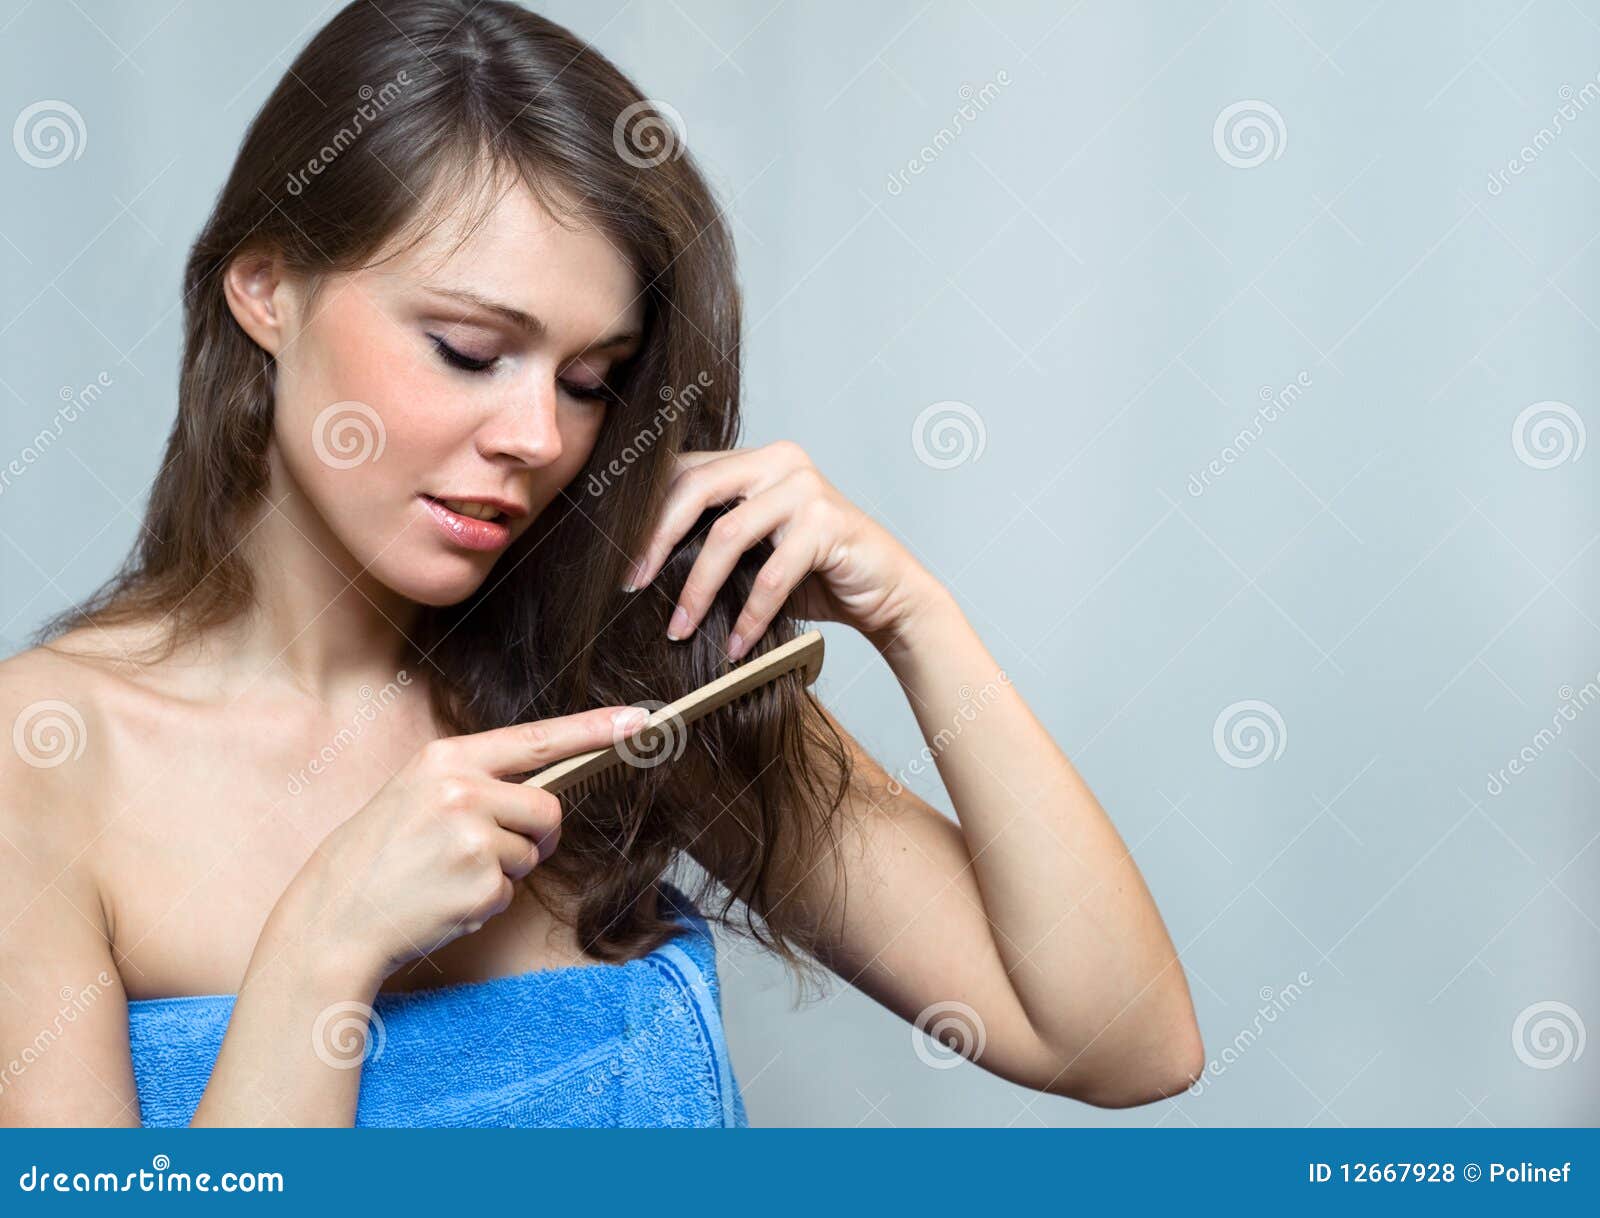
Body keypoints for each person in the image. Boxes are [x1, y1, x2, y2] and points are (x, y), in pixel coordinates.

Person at [0, 0, 1203, 1127]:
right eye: (469, 350)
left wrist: (916, 621)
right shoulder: (46, 761)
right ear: (267, 290)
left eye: (589, 381)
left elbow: (1118, 1043)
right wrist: (325, 944)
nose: (537, 437)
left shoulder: (627, 672)